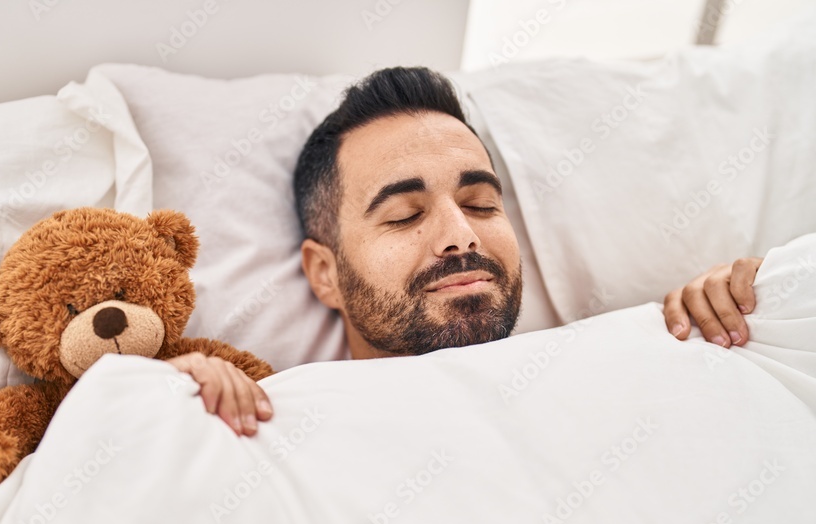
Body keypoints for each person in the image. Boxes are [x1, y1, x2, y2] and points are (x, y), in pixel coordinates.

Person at [166, 66, 764, 436]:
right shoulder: (272, 423)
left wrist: (756, 303)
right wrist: (161, 407)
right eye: (405, 215)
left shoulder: (639, 359)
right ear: (325, 274)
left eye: (480, 204)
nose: (462, 235)